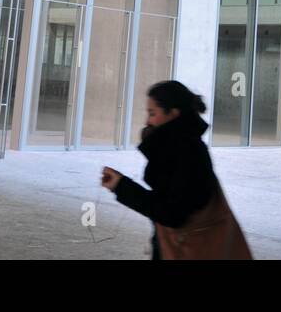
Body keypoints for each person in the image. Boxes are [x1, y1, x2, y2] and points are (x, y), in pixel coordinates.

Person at [101, 80, 252, 260]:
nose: (146, 121)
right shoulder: (176, 148)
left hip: (191, 249)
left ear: (173, 114)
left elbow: (172, 214)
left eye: (152, 113)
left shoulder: (187, 154)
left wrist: (121, 186)